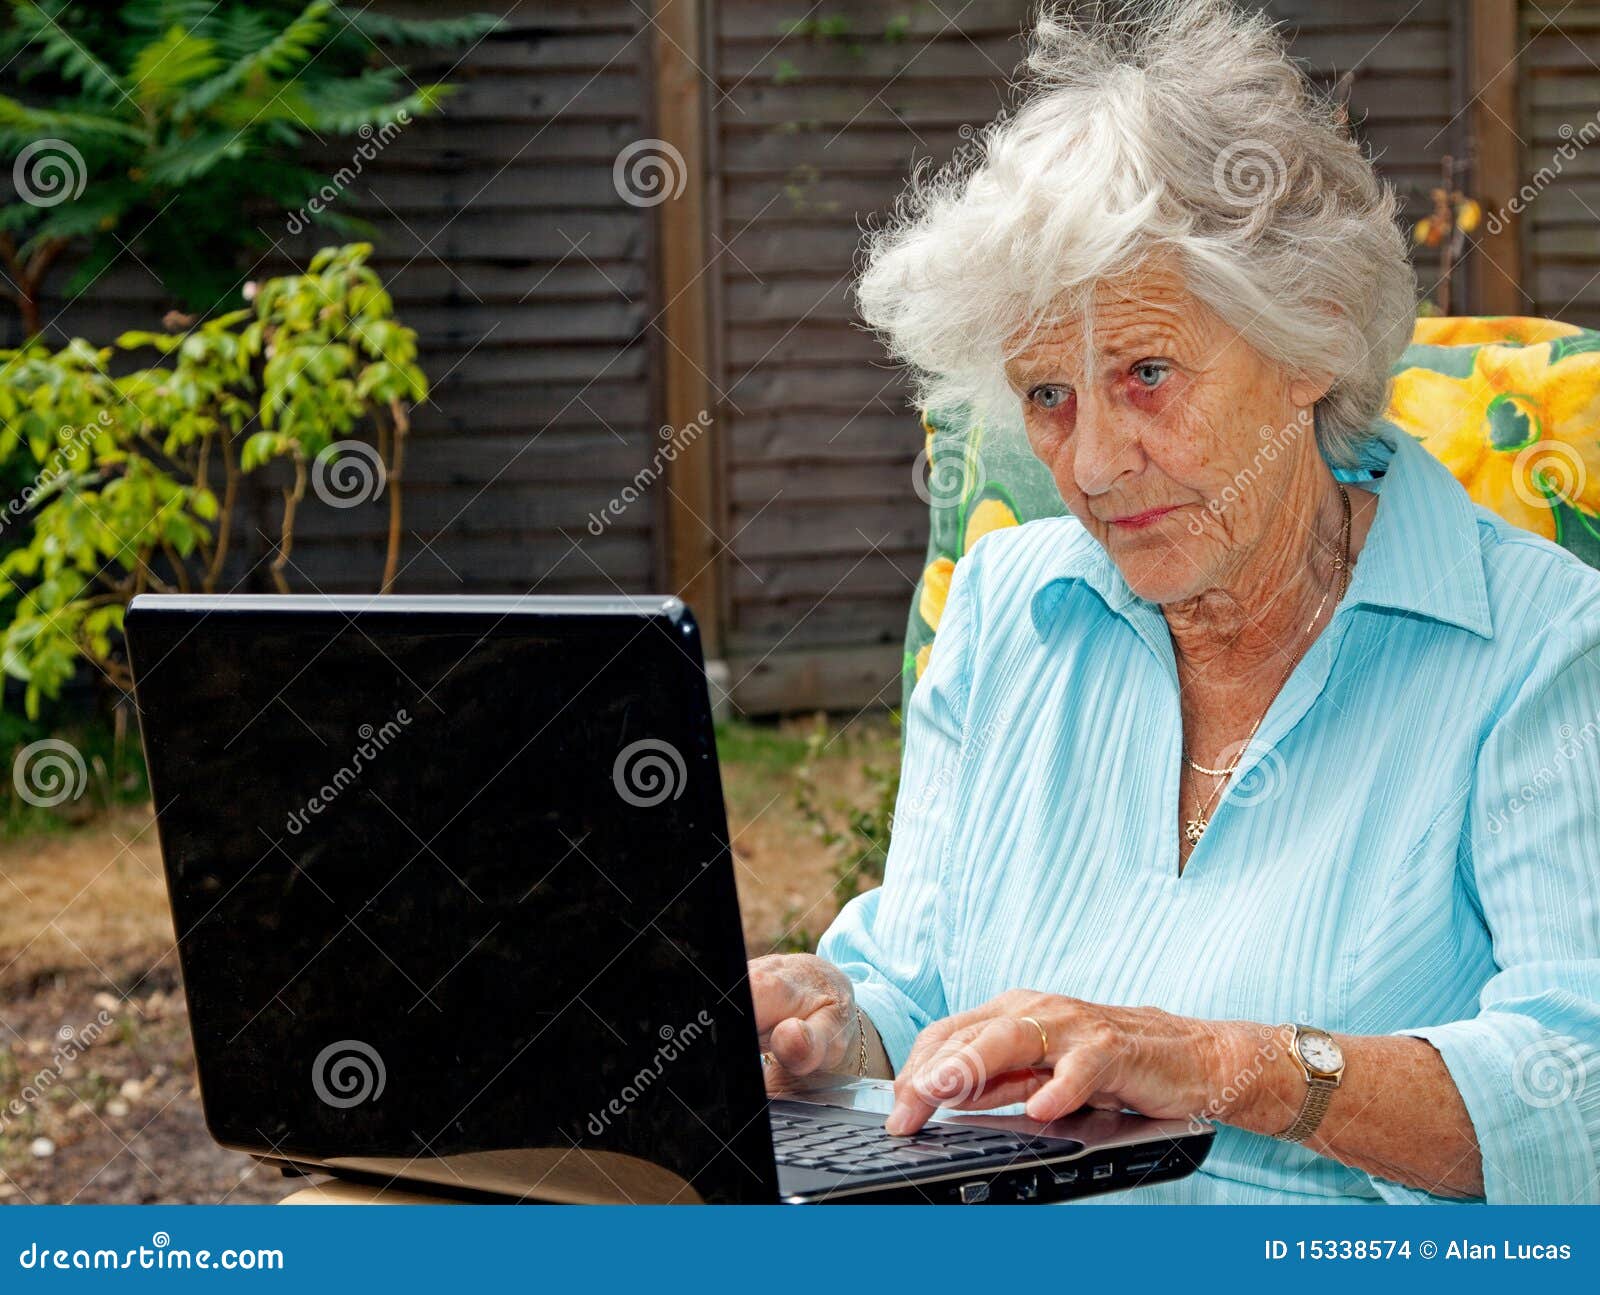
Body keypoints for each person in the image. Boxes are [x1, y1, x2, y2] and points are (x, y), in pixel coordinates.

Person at [748, 0, 1600, 1203]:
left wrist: (1223, 1065)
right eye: (1047, 397)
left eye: (1146, 374)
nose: (1093, 465)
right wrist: (838, 1027)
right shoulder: (1006, 610)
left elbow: (1578, 1097)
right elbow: (918, 983)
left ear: (1310, 340)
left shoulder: (1543, 649)